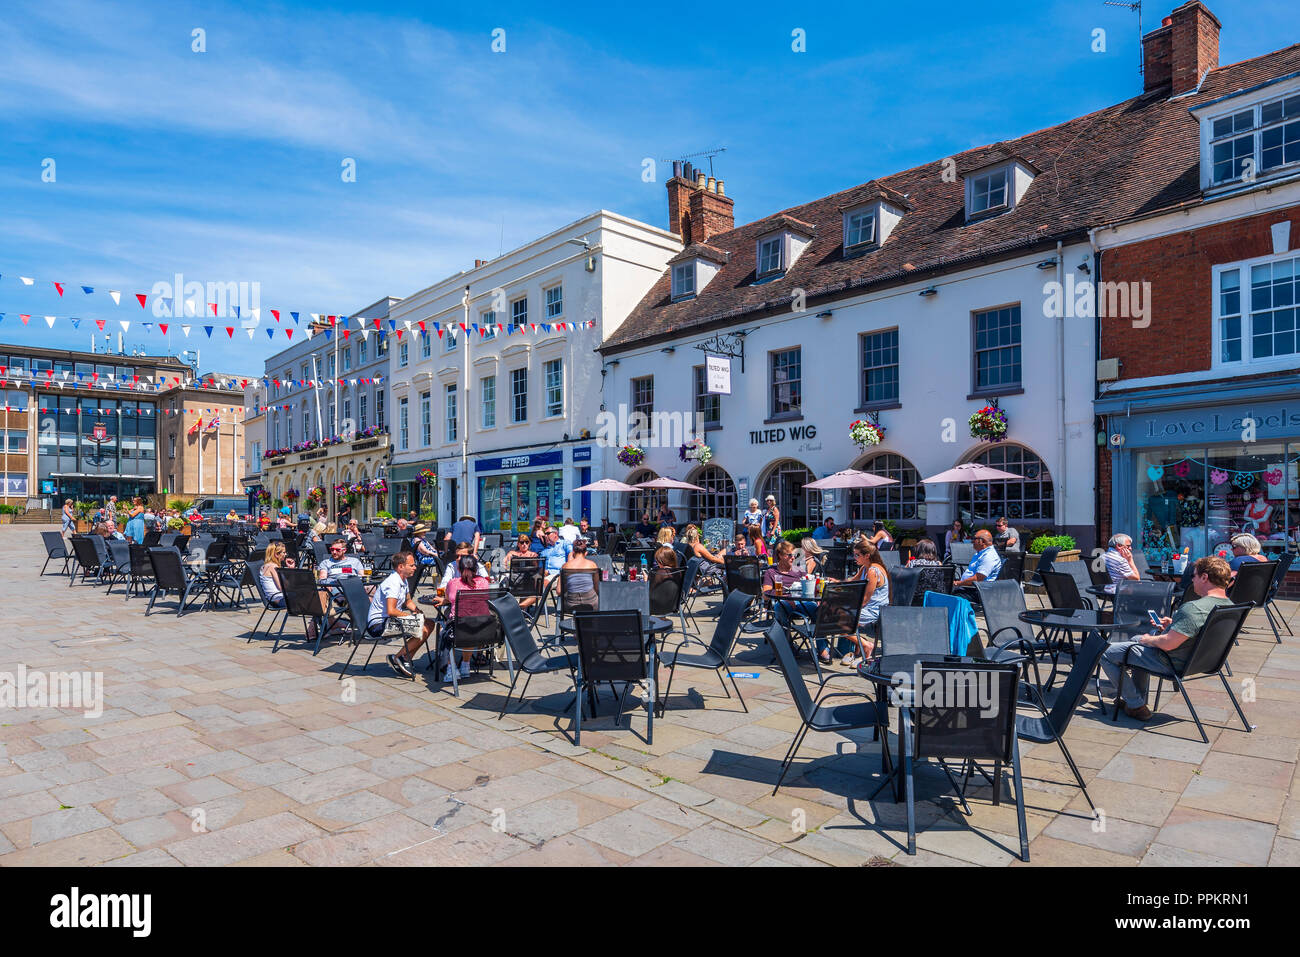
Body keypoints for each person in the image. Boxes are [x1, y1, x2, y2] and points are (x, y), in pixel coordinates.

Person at [1099, 555, 1233, 720]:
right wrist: (1173, 624)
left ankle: (1135, 704)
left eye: (1195, 576)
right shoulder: (1230, 606)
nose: (1193, 580)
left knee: (1105, 652)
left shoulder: (1194, 608)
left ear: (1204, 577)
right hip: (1204, 662)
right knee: (1135, 642)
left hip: (1171, 662)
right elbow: (1199, 631)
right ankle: (1135, 700)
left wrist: (1147, 639)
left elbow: (1168, 644)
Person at [377, 551, 437, 679]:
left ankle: (405, 658)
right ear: (400, 567)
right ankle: (397, 657)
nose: (415, 567)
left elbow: (408, 601)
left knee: (430, 623)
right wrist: (411, 617)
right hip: (380, 623)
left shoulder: (403, 580)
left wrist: (418, 611)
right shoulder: (393, 582)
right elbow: (391, 610)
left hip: (390, 620)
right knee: (422, 627)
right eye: (412, 565)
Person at [441, 554, 495, 678]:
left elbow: (448, 598)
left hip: (460, 629)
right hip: (483, 628)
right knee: (470, 623)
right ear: (476, 569)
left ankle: (450, 668)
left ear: (458, 569)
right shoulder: (484, 582)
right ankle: (465, 665)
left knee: (445, 632)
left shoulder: (453, 583)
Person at [840, 538, 890, 667]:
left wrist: (849, 609)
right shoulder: (865, 568)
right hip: (867, 607)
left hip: (874, 610)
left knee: (837, 621)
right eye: (854, 554)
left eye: (857, 555)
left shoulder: (873, 571)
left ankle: (867, 645)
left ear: (867, 556)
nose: (854, 557)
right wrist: (835, 583)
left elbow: (865, 599)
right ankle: (860, 648)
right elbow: (852, 582)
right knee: (838, 612)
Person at [953, 529, 1002, 599]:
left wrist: (958, 583)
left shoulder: (989, 556)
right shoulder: (981, 552)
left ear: (982, 542)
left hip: (978, 591)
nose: (972, 541)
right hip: (969, 588)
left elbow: (977, 579)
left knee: (949, 598)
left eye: (974, 539)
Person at [560, 538, 599, 611]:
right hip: (591, 603)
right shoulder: (592, 565)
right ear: (586, 552)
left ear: (573, 552)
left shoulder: (565, 566)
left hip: (571, 605)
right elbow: (597, 587)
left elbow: (559, 590)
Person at [260, 542, 290, 611]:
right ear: (276, 554)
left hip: (276, 599)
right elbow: (281, 587)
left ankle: (314, 621)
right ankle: (314, 621)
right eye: (284, 552)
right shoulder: (273, 567)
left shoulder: (265, 566)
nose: (285, 554)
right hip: (279, 600)